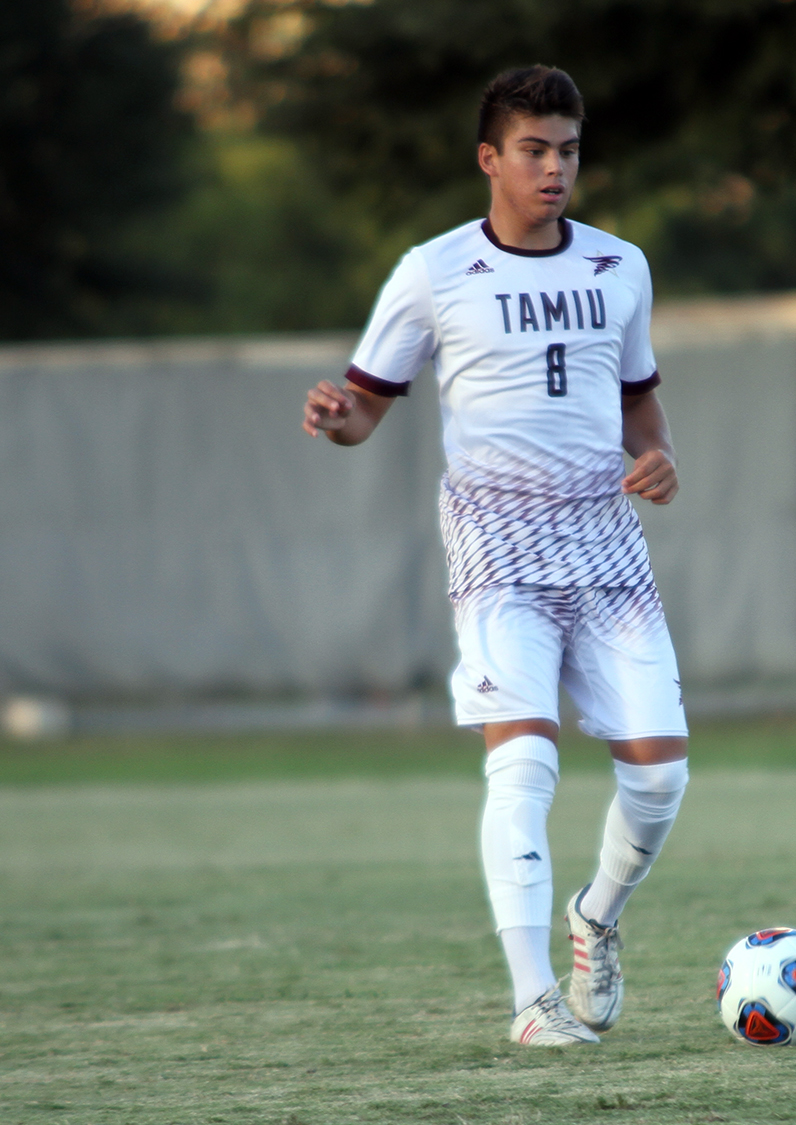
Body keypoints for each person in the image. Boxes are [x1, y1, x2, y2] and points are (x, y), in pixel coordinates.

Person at [299, 66, 689, 1047]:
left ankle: (595, 918)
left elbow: (638, 397)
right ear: (490, 159)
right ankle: (532, 1003)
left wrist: (661, 455)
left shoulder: (619, 267)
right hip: (496, 550)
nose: (554, 168)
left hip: (606, 544)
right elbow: (366, 410)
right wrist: (338, 418)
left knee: (658, 777)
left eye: (566, 149)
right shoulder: (432, 273)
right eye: (533, 150)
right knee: (521, 767)